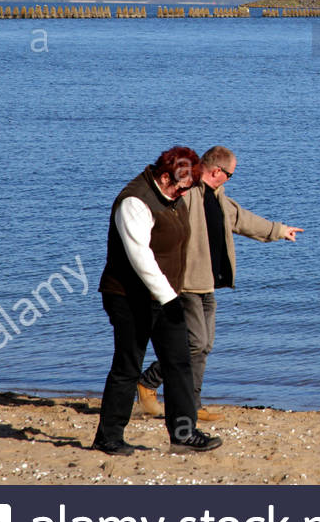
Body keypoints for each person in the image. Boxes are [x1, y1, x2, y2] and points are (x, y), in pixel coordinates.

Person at [137, 145, 302, 420]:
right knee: (194, 343)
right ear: (217, 171)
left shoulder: (217, 197)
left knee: (205, 346)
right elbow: (158, 212)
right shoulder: (186, 192)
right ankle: (148, 382)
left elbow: (242, 219)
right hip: (185, 283)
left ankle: (192, 405)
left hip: (208, 283)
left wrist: (278, 230)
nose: (230, 179)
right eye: (230, 175)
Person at [91, 146, 221, 456]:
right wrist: (170, 299)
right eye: (180, 188)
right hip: (128, 297)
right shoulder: (134, 202)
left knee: (179, 362)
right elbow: (141, 258)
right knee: (127, 366)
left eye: (187, 189)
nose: (182, 194)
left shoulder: (175, 196)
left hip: (166, 296)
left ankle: (183, 434)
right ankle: (108, 438)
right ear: (164, 176)